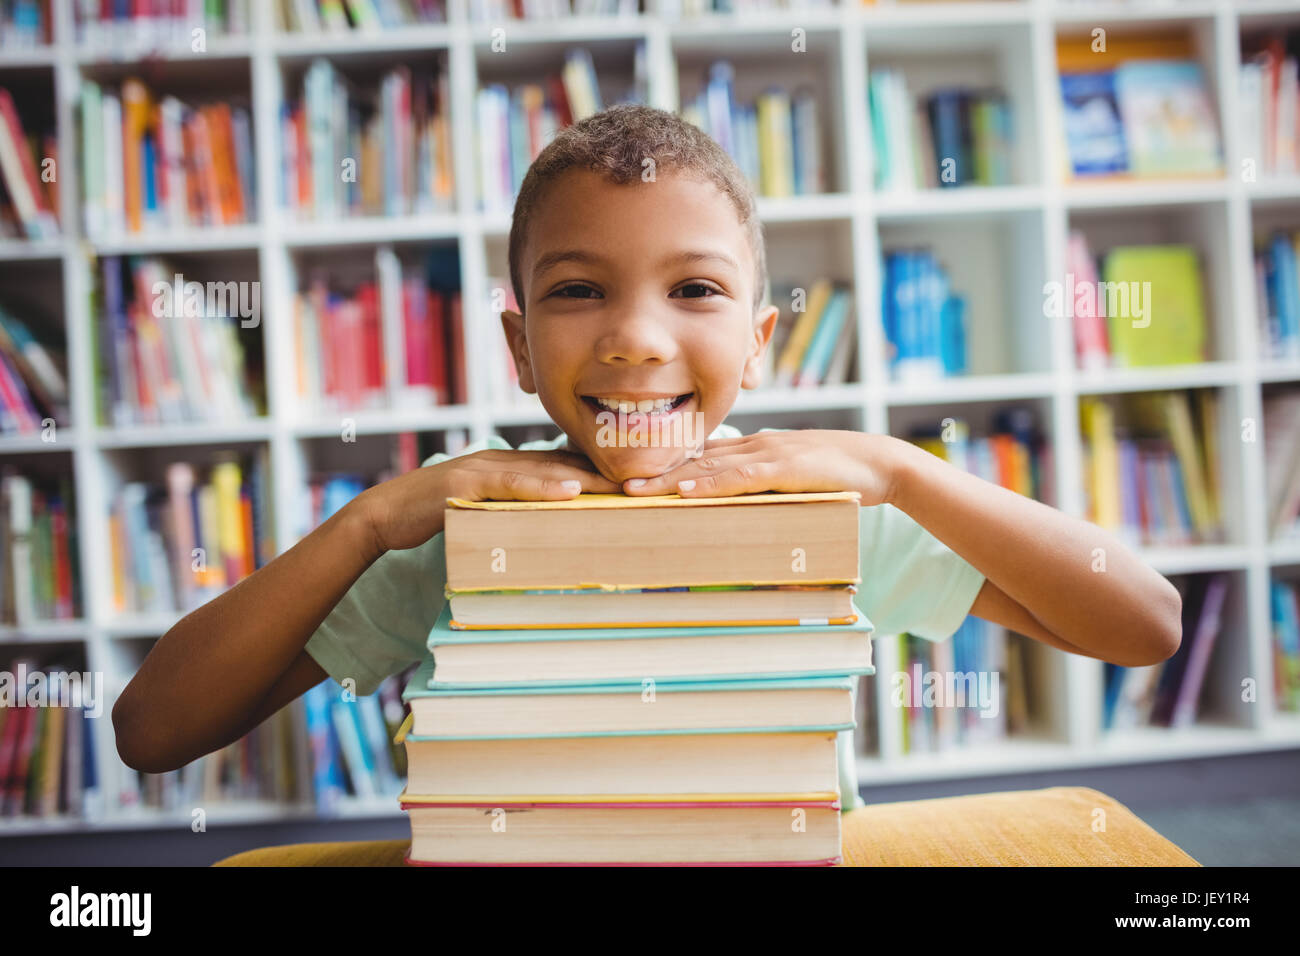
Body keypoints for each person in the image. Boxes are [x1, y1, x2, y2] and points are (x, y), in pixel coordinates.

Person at [113, 104, 1181, 814]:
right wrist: (374, 520)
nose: (634, 338)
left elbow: (1144, 621)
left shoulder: (809, 514)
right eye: (578, 290)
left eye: (695, 289)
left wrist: (898, 471)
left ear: (759, 341)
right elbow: (154, 729)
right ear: (519, 345)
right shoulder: (466, 529)